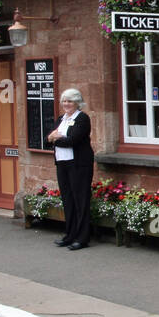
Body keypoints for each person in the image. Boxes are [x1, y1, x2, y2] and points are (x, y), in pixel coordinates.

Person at [48, 88, 94, 250]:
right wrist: (55, 138)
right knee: (68, 200)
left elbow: (72, 140)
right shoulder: (62, 118)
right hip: (62, 163)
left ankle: (82, 238)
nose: (66, 104)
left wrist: (56, 138)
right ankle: (70, 234)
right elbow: (48, 137)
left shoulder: (82, 118)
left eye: (70, 101)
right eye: (64, 101)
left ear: (77, 103)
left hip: (79, 165)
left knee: (80, 200)